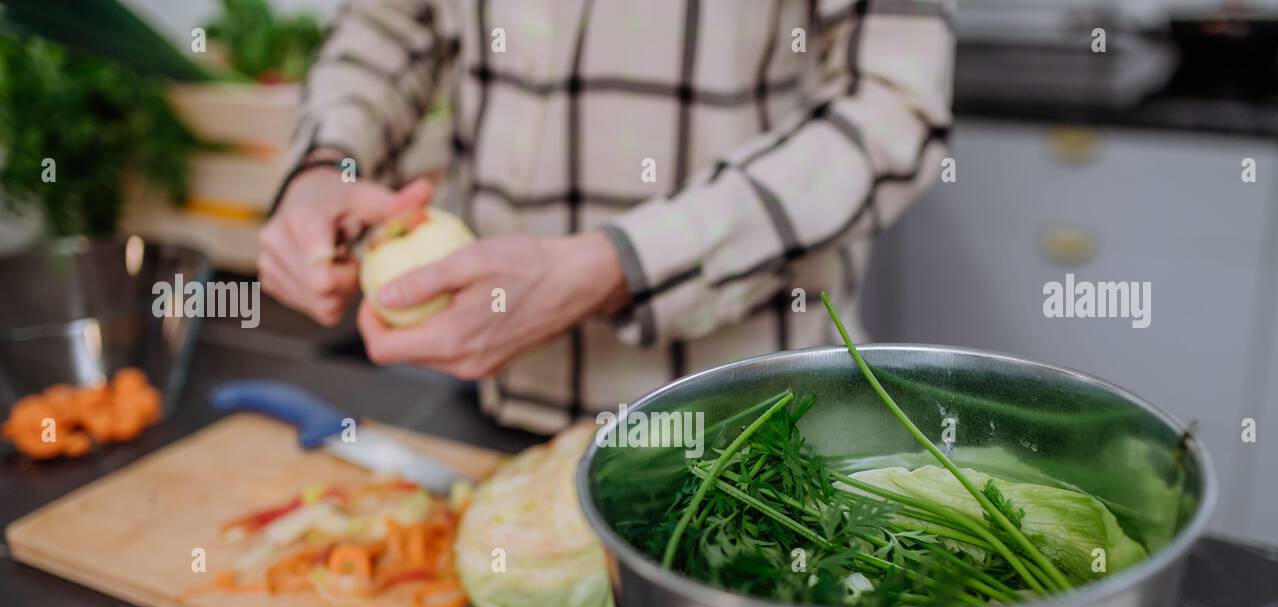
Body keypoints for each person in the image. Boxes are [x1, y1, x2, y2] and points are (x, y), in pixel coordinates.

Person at [259, 0, 954, 433]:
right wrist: (330, 161)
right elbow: (390, 22)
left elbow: (894, 106)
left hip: (746, 425)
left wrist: (624, 265)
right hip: (488, 398)